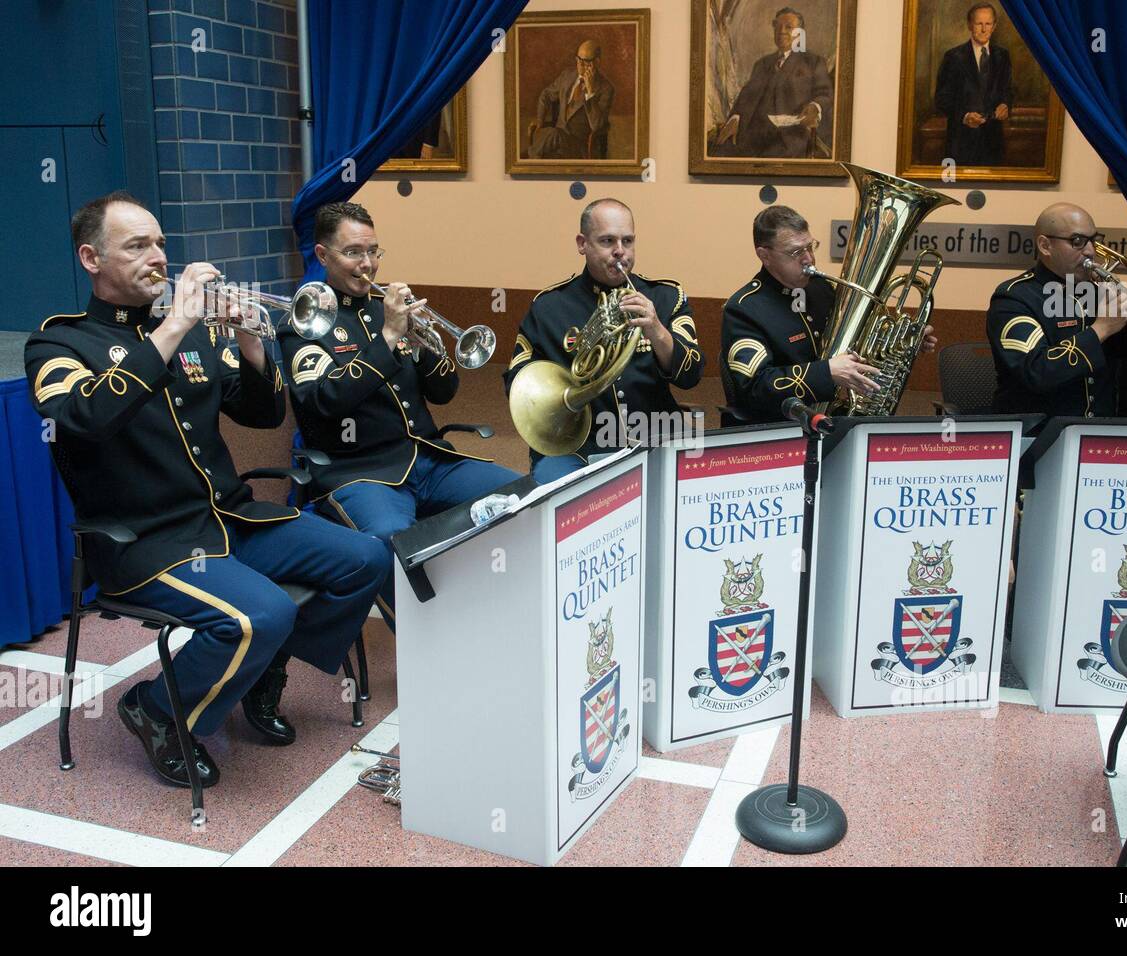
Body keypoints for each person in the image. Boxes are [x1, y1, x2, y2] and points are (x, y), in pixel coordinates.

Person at [25, 192, 389, 788]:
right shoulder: (59, 344)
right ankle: (157, 709)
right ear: (91, 259)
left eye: (160, 243)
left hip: (228, 517)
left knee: (367, 557)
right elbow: (86, 419)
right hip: (145, 542)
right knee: (259, 615)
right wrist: (174, 325)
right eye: (137, 246)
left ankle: (262, 670)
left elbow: (264, 415)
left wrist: (250, 345)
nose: (157, 257)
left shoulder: (197, 336)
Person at [279, 202, 520, 631]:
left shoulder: (386, 308)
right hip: (359, 472)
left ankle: (500, 609)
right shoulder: (305, 321)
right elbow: (323, 403)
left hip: (425, 458)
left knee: (520, 494)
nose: (368, 264)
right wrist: (388, 337)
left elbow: (444, 392)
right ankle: (426, 638)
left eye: (373, 251)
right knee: (391, 538)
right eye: (353, 252)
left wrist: (425, 344)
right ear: (323, 256)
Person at [504, 198, 703, 481]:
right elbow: (520, 384)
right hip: (578, 445)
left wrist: (657, 330)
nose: (620, 251)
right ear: (582, 244)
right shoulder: (549, 307)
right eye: (607, 241)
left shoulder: (667, 297)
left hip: (655, 434)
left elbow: (692, 376)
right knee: (556, 491)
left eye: (627, 241)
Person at [721, 205, 936, 424]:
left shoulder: (820, 288)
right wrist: (826, 373)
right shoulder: (745, 309)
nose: (809, 259)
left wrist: (902, 341)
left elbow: (857, 345)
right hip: (779, 426)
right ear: (764, 255)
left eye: (810, 247)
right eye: (795, 252)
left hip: (834, 418)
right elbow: (754, 388)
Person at [987, 202, 1127, 417]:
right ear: (1045, 246)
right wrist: (1101, 329)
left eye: (1093, 240)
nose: (1090, 251)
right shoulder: (1014, 298)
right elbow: (1037, 372)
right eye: (1077, 241)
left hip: (1100, 431)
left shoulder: (1100, 294)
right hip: (1040, 431)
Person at [713, 7, 833, 159]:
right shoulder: (762, 64)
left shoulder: (813, 62)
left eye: (788, 27)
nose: (781, 31)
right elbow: (746, 96)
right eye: (777, 26)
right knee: (718, 151)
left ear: (799, 33)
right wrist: (735, 118)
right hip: (754, 135)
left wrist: (815, 106)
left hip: (791, 137)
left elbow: (825, 94)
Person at [933, 3, 1013, 166]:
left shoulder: (1003, 56)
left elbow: (1008, 91)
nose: (984, 29)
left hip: (993, 142)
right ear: (970, 25)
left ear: (994, 26)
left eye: (988, 24)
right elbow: (941, 99)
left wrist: (1006, 104)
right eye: (979, 24)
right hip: (961, 142)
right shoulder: (953, 57)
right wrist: (964, 116)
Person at [528, 39, 616, 160]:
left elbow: (597, 126)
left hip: (579, 146)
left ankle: (530, 161)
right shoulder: (567, 76)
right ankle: (532, 160)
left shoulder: (606, 88)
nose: (580, 64)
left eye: (585, 61)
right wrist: (540, 121)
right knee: (551, 136)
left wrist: (590, 92)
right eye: (578, 59)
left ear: (596, 62)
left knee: (552, 134)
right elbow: (546, 94)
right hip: (556, 141)